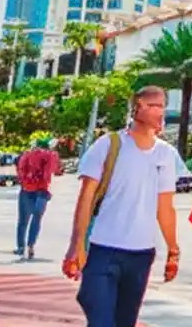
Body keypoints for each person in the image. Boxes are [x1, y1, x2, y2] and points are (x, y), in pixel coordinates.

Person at [63, 86, 181, 327]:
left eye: (162, 106)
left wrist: (173, 249)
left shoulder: (166, 154)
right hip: (104, 250)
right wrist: (76, 245)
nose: (160, 111)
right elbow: (86, 197)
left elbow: (165, 208)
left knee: (124, 322)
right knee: (100, 320)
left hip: (141, 255)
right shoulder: (109, 144)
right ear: (136, 108)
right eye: (153, 105)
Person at [14, 137, 61, 259]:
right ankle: (31, 245)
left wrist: (24, 181)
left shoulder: (27, 155)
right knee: (37, 219)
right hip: (43, 190)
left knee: (23, 221)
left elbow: (20, 169)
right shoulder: (52, 155)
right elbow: (55, 171)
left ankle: (20, 247)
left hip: (27, 189)